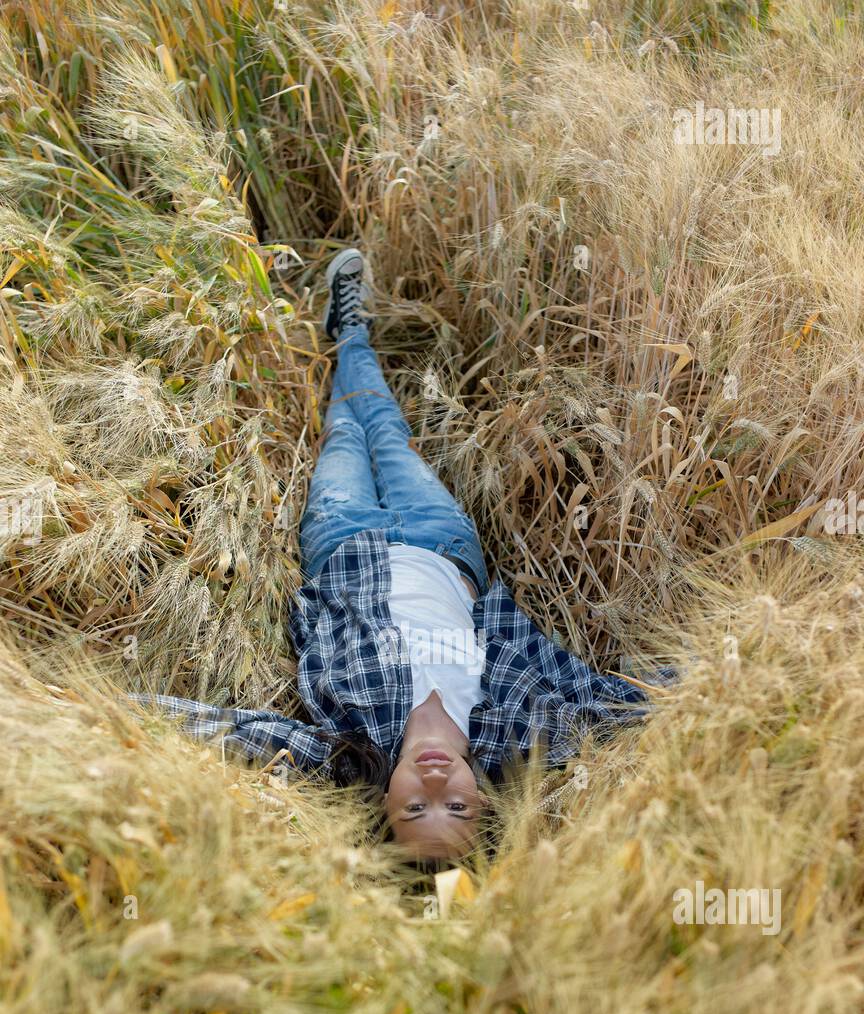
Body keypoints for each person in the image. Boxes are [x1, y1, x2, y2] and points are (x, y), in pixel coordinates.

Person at [136, 249, 652, 861]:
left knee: (345, 431)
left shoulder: (353, 749)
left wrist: (80, 705)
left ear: (384, 802)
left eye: (415, 807)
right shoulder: (517, 725)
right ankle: (351, 329)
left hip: (344, 541)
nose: (435, 783)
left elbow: (232, 732)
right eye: (455, 806)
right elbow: (630, 706)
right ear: (483, 800)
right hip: (442, 542)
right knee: (384, 426)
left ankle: (347, 334)